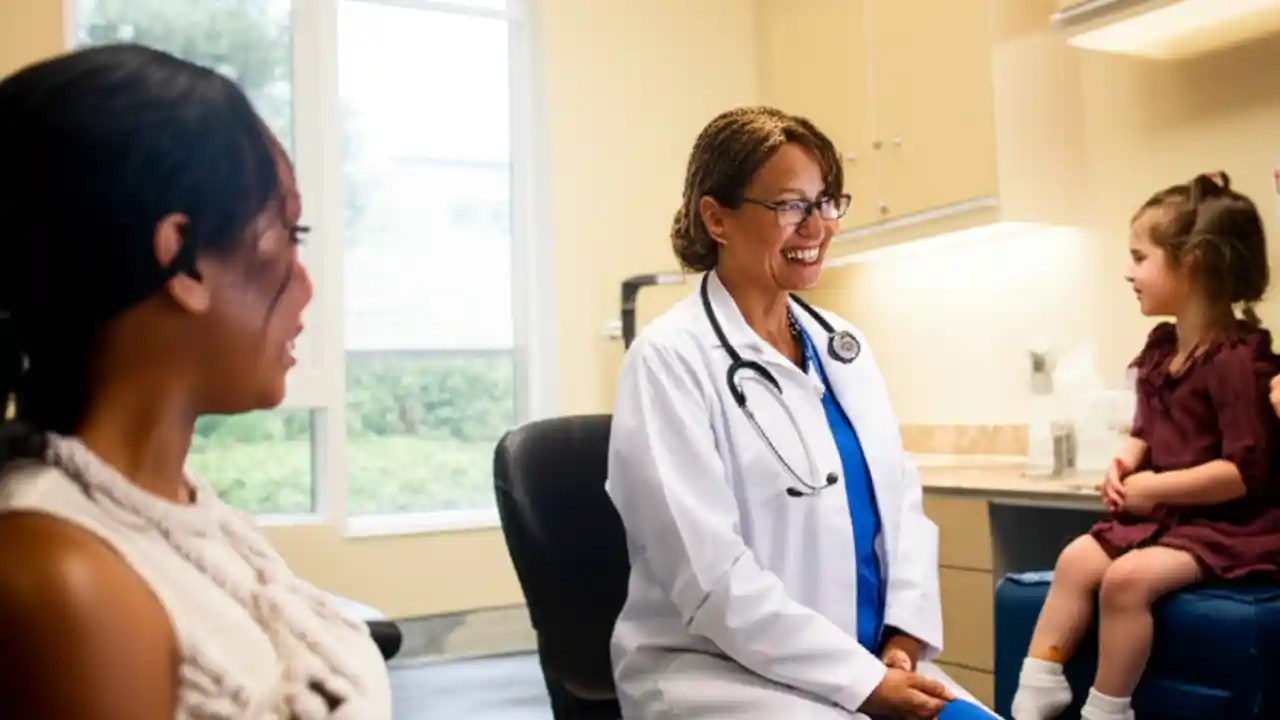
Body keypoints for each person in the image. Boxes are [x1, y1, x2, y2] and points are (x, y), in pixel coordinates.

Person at [0, 45, 391, 718]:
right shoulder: (66, 580)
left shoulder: (193, 523)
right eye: (288, 231)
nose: (306, 282)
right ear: (182, 259)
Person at [605, 106, 997, 719]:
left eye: (827, 202)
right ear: (717, 218)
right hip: (721, 677)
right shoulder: (669, 359)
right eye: (791, 204)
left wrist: (903, 638)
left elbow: (902, 508)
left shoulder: (843, 345)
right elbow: (710, 579)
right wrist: (863, 684)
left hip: (869, 664)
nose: (818, 226)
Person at [1011, 173, 1280, 720]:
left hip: (1229, 525)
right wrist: (1124, 461)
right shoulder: (1164, 349)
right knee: (1076, 559)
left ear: (1193, 262)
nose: (1129, 272)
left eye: (1140, 257)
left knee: (1127, 581)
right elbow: (1144, 428)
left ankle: (1109, 706)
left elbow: (1242, 473)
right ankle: (1040, 677)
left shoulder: (1235, 361)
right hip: (1169, 517)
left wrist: (1152, 487)